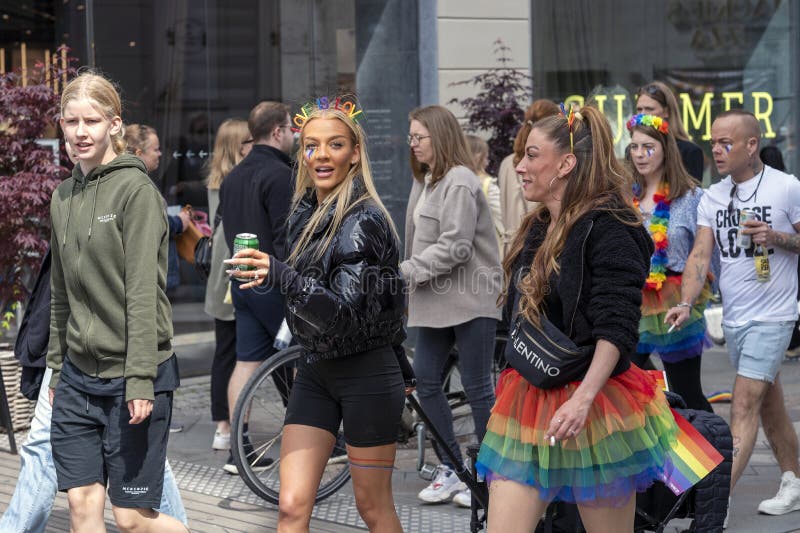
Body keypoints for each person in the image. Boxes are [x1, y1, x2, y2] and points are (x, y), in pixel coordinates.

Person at [477, 104, 691, 532]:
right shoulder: (538, 225)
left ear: (566, 163)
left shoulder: (612, 226)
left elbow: (616, 326)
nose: (520, 166)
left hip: (596, 403)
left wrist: (583, 399)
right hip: (529, 396)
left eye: (532, 155)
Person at [226, 97, 412, 532]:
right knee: (291, 506)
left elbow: (346, 314)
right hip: (315, 369)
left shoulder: (364, 219)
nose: (321, 156)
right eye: (311, 146)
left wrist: (281, 274)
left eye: (334, 145)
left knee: (373, 508)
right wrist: (276, 277)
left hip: (365, 374)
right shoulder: (305, 212)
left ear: (355, 153)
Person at [47, 72, 187, 532]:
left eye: (91, 120)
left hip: (133, 375)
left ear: (114, 125)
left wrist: (141, 379)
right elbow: (61, 291)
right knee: (83, 508)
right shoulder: (63, 196)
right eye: (71, 121)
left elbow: (143, 293)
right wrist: (55, 366)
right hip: (77, 379)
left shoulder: (136, 192)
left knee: (130, 520)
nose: (80, 132)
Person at [666, 109, 800, 517]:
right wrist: (686, 302)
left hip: (774, 315)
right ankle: (794, 480)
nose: (717, 151)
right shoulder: (714, 195)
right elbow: (700, 254)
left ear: (751, 145)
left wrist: (775, 236)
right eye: (713, 144)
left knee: (742, 403)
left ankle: (715, 500)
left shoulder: (786, 187)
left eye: (726, 143)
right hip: (736, 318)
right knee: (769, 403)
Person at [403, 105, 502, 506]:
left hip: (471, 297)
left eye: (418, 137)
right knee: (425, 379)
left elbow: (456, 246)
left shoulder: (459, 180)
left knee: (479, 387)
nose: (412, 144)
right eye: (410, 137)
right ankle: (455, 469)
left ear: (439, 137)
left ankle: (492, 476)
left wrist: (406, 271)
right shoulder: (426, 178)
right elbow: (418, 236)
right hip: (433, 298)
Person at [218, 101, 294, 474]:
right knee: (301, 362)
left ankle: (239, 449)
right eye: (292, 129)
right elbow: (286, 237)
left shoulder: (233, 176)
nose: (295, 135)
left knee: (246, 363)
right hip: (274, 280)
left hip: (243, 282)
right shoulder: (281, 175)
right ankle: (317, 444)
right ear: (278, 132)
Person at [626, 114, 714, 412]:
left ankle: (717, 452)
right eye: (634, 147)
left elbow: (701, 255)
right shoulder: (625, 197)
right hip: (632, 300)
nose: (639, 154)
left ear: (665, 148)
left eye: (648, 147)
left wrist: (688, 302)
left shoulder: (691, 197)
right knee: (624, 380)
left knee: (687, 392)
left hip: (675, 298)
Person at [204, 118, 252, 450]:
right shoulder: (238, 183)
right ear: (238, 145)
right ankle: (226, 425)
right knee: (239, 352)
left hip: (221, 278)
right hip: (233, 275)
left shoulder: (216, 181)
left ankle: (223, 425)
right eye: (248, 141)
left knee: (226, 352)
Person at [496, 99, 560, 256]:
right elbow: (535, 210)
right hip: (528, 246)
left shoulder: (506, 162)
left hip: (510, 248)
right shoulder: (537, 164)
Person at [636, 81, 704, 183]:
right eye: (639, 109)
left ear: (666, 112)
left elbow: (692, 196)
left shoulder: (689, 152)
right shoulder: (633, 151)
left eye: (649, 109)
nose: (642, 115)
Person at [466, 134, 505, 253]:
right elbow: (504, 217)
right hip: (487, 251)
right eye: (486, 158)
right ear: (478, 158)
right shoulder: (487, 185)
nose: (487, 163)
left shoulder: (452, 183)